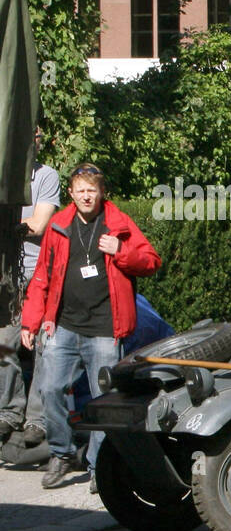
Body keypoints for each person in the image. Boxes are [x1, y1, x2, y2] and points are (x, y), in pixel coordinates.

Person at [20, 163, 161, 490]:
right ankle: (61, 452)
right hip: (63, 326)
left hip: (104, 328)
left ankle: (100, 465)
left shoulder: (118, 224)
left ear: (101, 193)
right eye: (80, 190)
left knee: (104, 401)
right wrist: (32, 322)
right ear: (71, 193)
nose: (86, 196)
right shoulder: (58, 225)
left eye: (92, 190)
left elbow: (151, 261)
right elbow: (41, 279)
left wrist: (121, 251)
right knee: (50, 389)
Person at [0, 127, 59, 448]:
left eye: (35, 137)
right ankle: (9, 413)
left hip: (37, 273)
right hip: (4, 277)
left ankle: (37, 419)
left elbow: (38, 224)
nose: (30, 142)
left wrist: (10, 228)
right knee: (4, 345)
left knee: (41, 347)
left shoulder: (46, 176)